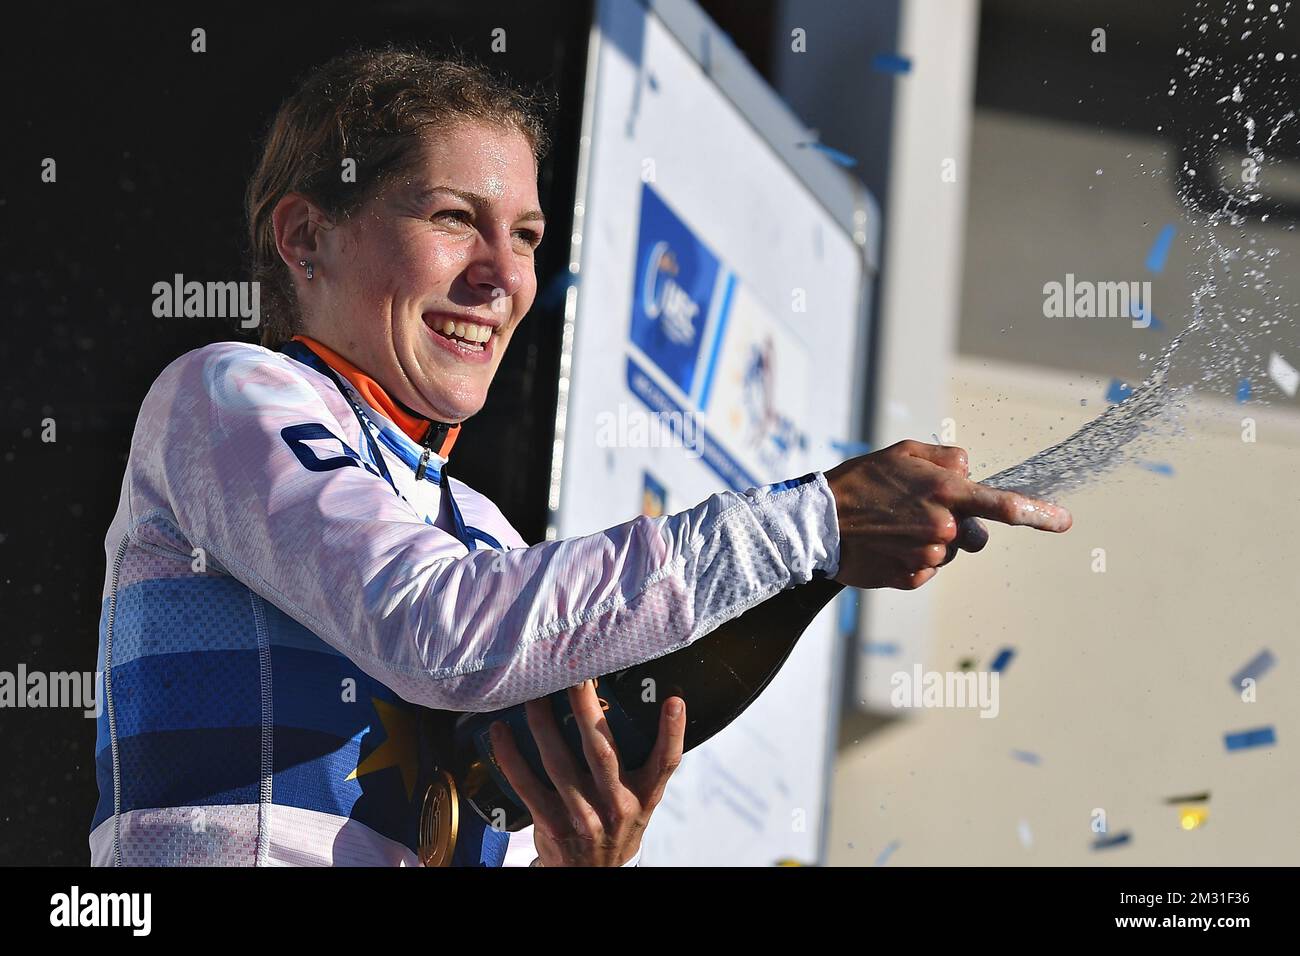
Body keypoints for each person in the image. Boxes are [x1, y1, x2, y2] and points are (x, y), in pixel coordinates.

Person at [90, 47, 1071, 868]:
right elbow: (438, 631)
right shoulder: (228, 393)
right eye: (452, 218)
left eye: (524, 236)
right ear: (307, 236)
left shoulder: (484, 535)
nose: (504, 275)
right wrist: (807, 521)